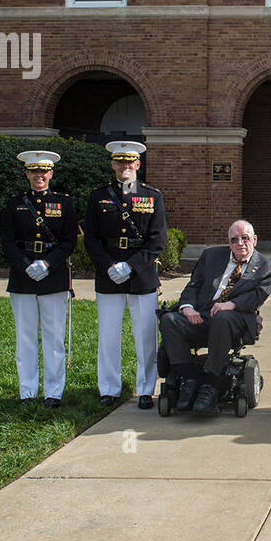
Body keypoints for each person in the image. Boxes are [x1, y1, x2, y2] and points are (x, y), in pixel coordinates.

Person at [83, 141, 167, 408]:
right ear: (113, 165)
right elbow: (92, 239)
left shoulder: (152, 196)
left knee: (145, 337)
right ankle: (109, 388)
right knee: (108, 335)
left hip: (141, 276)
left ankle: (145, 389)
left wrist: (130, 266)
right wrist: (109, 265)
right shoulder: (98, 197)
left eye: (130, 162)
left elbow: (157, 240)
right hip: (108, 275)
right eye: (120, 162)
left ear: (138, 165)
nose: (125, 167)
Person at [160, 220, 271, 414]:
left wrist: (231, 304)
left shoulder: (265, 267)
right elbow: (193, 285)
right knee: (169, 321)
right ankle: (191, 379)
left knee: (222, 317)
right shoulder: (211, 256)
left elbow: (257, 297)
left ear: (254, 240)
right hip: (201, 315)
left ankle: (211, 384)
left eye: (245, 238)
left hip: (235, 318)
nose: (240, 243)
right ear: (229, 243)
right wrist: (187, 308)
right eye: (234, 240)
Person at [0, 150, 79, 408]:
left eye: (43, 171)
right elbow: (8, 242)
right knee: (25, 337)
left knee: (54, 337)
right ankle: (27, 391)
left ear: (51, 174)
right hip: (23, 277)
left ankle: (53, 392)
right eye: (34, 171)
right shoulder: (14, 204)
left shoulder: (64, 203)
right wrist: (26, 265)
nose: (39, 176)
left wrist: (47, 263)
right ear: (27, 174)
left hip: (54, 275)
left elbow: (68, 241)